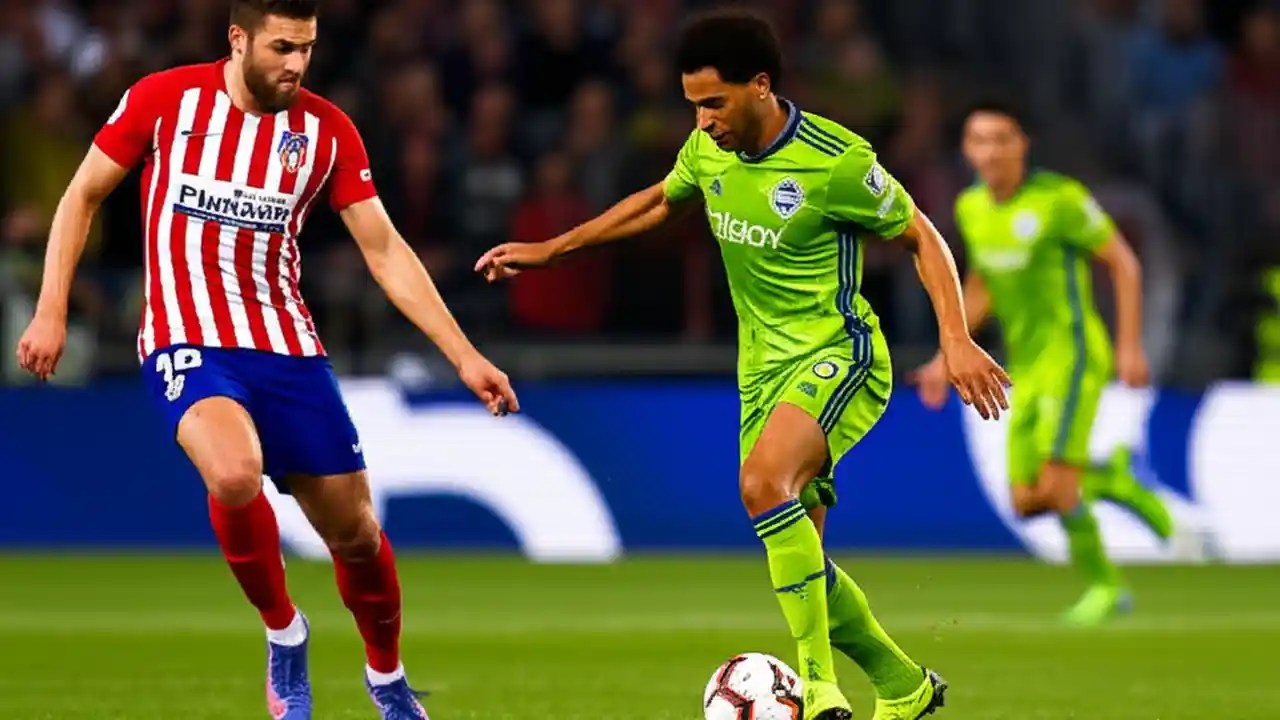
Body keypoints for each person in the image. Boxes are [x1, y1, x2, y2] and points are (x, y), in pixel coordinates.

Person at [476, 11, 1008, 720]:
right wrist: (551, 249)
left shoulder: (836, 160)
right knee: (801, 554)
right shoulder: (707, 150)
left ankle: (817, 687)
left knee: (762, 483)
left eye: (714, 102)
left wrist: (956, 337)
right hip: (760, 371)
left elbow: (921, 234)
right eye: (693, 103)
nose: (702, 120)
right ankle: (904, 686)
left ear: (760, 86)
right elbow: (658, 204)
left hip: (838, 355)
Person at [14, 2, 519, 718]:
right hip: (184, 335)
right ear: (239, 37)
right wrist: (51, 307)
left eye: (307, 49)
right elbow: (81, 196)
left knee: (357, 533)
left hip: (285, 345)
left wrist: (464, 355)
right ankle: (285, 635)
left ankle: (387, 678)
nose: (296, 64)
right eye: (283, 47)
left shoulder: (325, 131)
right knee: (232, 471)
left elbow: (384, 252)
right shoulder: (165, 99)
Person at [911, 101, 1174, 626]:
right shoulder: (972, 208)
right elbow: (982, 282)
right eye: (977, 140)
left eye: (1000, 138)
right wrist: (947, 354)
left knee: (1056, 487)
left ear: (1022, 144)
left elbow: (1123, 263)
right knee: (1027, 501)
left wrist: (1129, 346)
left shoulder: (1060, 200)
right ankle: (1112, 481)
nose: (989, 151)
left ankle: (1106, 587)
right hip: (1024, 367)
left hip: (1071, 357)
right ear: (966, 149)